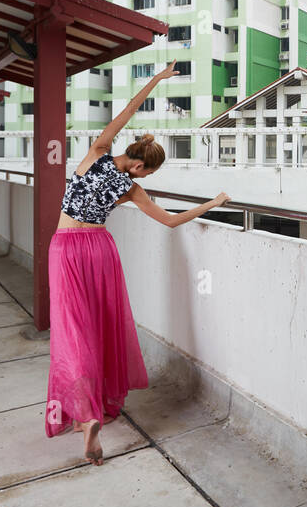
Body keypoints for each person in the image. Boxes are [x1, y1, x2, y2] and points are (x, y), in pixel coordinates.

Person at [46, 60, 230, 464]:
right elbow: (170, 221)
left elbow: (126, 110)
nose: (144, 177)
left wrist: (157, 79)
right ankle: (94, 407)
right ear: (142, 167)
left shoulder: (95, 155)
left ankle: (85, 412)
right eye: (147, 173)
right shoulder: (130, 190)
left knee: (71, 329)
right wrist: (213, 204)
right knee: (100, 325)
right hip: (99, 250)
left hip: (65, 247)